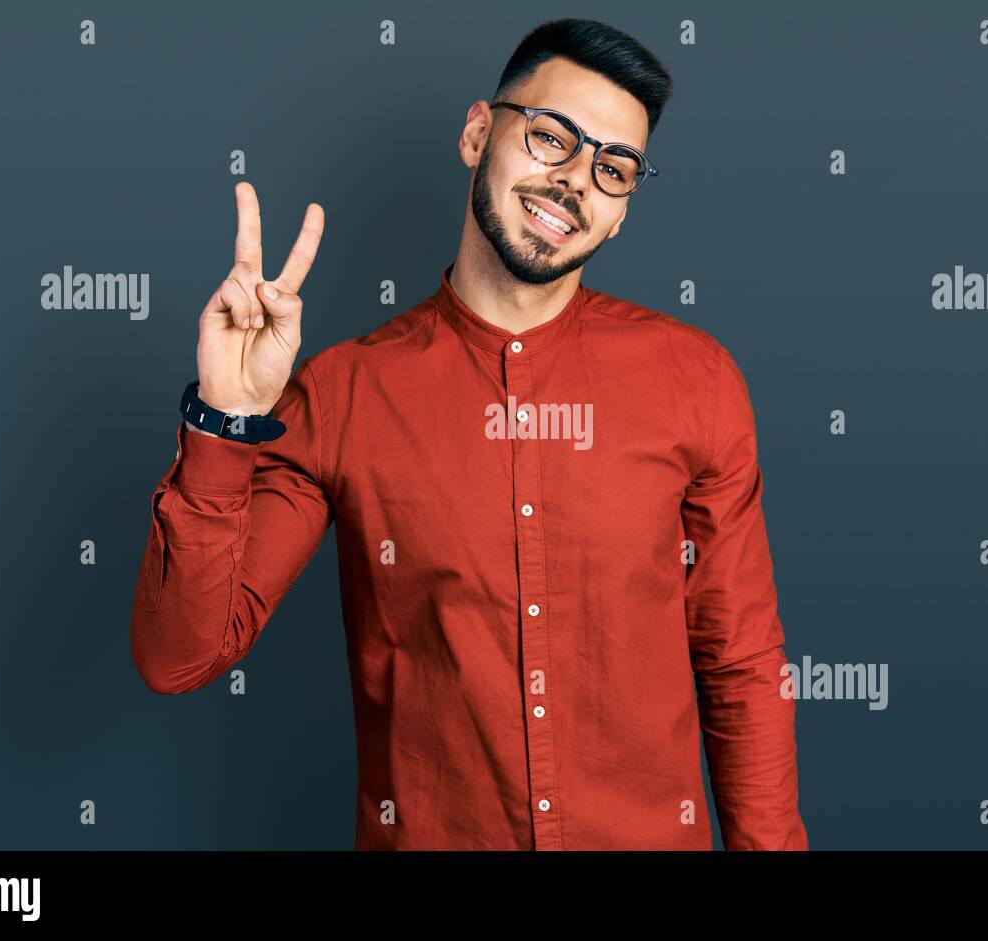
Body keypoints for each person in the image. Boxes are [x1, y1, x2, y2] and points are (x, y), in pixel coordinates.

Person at [130, 17, 808, 851]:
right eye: (552, 137)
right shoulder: (342, 393)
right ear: (478, 133)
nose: (573, 183)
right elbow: (178, 656)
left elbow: (741, 668)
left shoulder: (695, 382)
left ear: (623, 210)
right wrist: (226, 419)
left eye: (612, 168)